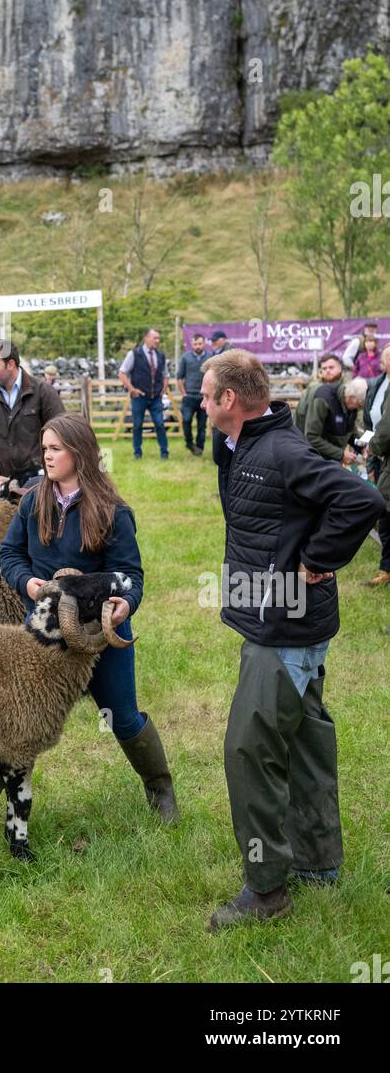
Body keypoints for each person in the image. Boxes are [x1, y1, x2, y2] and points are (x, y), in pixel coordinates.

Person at [200, 349, 383, 930]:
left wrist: (316, 561)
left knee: (248, 749)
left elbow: (361, 499)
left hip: (286, 627)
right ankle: (319, 861)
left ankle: (266, 888)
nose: (200, 403)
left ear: (229, 400)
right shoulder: (241, 444)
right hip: (274, 619)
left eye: (207, 394)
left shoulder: (279, 450)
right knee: (305, 741)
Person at [0, 413, 178, 834]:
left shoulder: (112, 511)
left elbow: (129, 576)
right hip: (43, 631)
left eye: (55, 449)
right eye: (45, 449)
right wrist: (27, 583)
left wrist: (124, 604)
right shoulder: (33, 500)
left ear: (79, 453)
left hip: (99, 633)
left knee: (119, 714)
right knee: (13, 716)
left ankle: (161, 790)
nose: (46, 456)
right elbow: (10, 554)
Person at [0, 343, 64, 504]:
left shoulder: (43, 392)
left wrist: (49, 473)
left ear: (11, 364)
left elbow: (62, 436)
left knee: (41, 529)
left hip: (38, 484)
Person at [357, 342, 390, 587]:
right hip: (377, 450)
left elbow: (387, 428)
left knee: (385, 511)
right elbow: (371, 415)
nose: (382, 362)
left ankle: (387, 568)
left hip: (383, 450)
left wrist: (375, 447)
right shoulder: (378, 383)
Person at [118, 328, 169, 461]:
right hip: (139, 397)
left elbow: (166, 375)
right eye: (155, 338)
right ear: (146, 338)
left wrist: (163, 388)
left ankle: (164, 452)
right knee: (137, 425)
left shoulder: (161, 355)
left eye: (158, 338)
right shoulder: (134, 354)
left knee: (160, 424)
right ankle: (137, 453)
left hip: (156, 397)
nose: (157, 341)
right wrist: (132, 389)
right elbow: (122, 373)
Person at [303, 373, 366, 464]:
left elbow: (350, 430)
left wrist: (362, 447)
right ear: (351, 398)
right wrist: (341, 454)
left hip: (330, 455)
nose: (359, 409)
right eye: (359, 405)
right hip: (312, 456)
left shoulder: (350, 405)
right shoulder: (322, 400)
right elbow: (311, 437)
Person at [294, 353, 343, 434]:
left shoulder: (348, 387)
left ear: (340, 368)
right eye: (324, 368)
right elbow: (301, 413)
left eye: (331, 367)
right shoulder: (313, 389)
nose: (327, 371)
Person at [176, 333, 207, 455]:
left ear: (204, 343)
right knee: (186, 420)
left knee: (201, 425)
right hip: (189, 397)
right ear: (192, 344)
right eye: (195, 344)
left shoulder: (210, 357)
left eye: (200, 343)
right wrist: (183, 393)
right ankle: (189, 443)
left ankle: (199, 448)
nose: (197, 346)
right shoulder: (185, 358)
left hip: (203, 398)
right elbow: (179, 378)